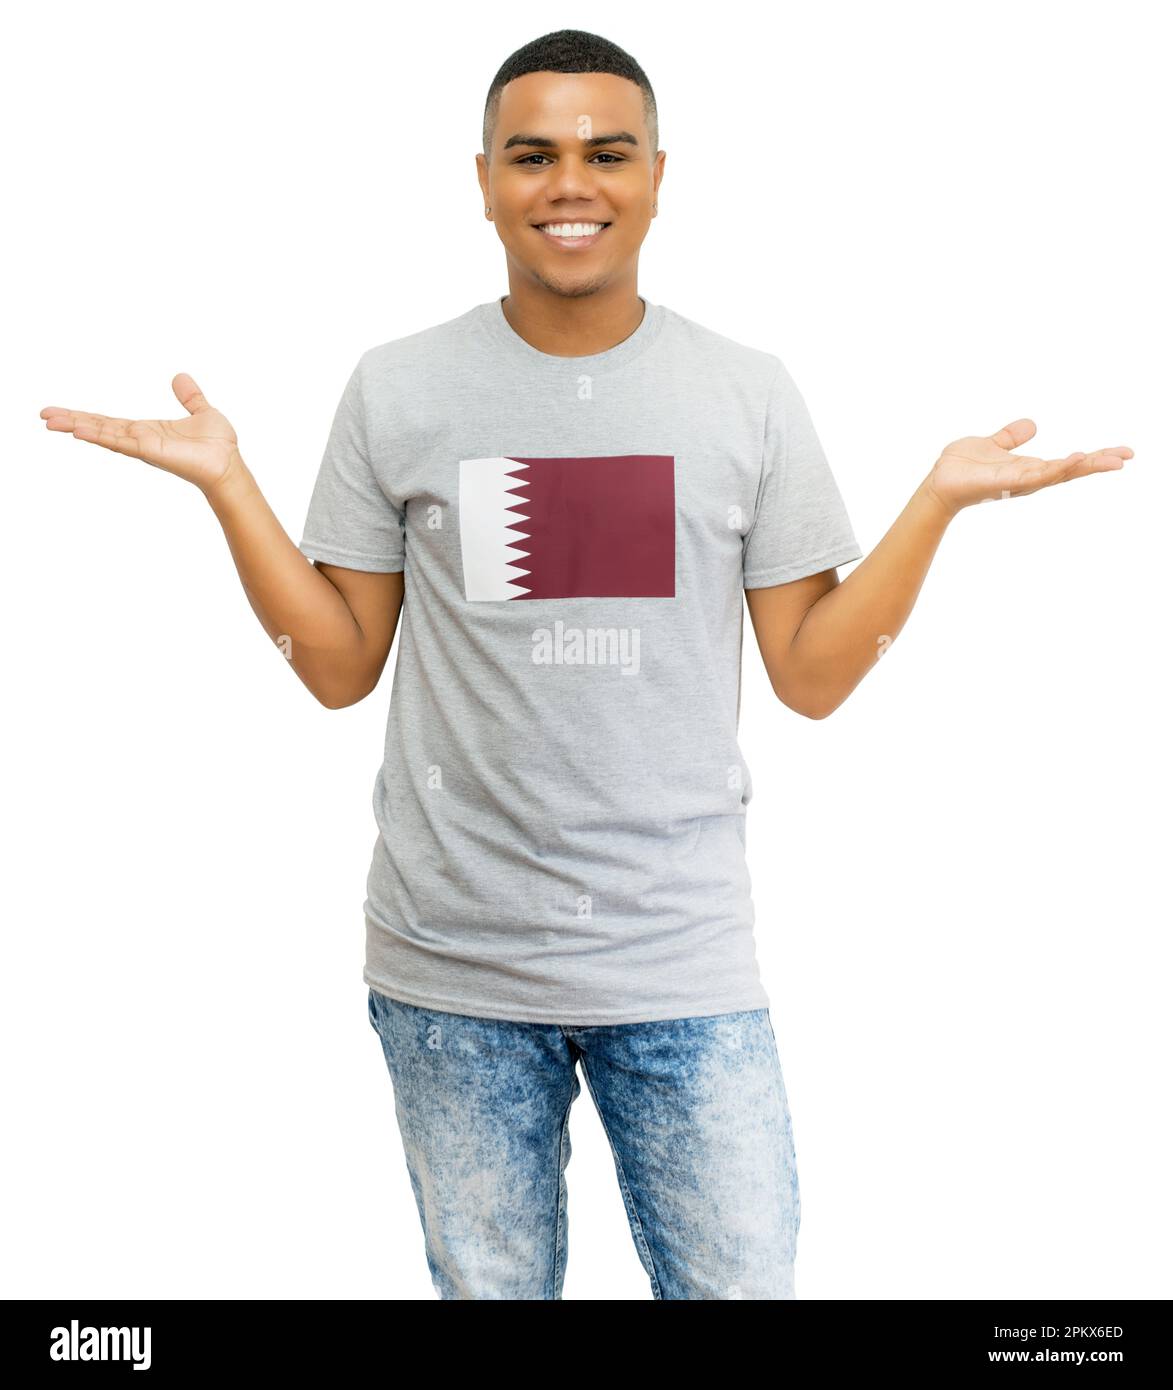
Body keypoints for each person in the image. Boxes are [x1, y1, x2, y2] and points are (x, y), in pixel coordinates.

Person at [39, 28, 1132, 1301]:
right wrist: (231, 488)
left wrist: (933, 504)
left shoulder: (747, 393)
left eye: (607, 153)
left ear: (659, 175)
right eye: (534, 155)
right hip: (451, 967)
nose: (572, 184)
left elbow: (814, 676)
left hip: (681, 960)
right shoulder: (397, 388)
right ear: (485, 179)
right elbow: (338, 667)